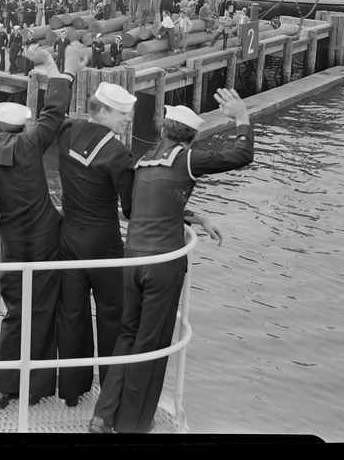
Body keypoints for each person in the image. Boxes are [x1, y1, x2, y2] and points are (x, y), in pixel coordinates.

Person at [90, 90, 252, 434]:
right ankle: (132, 425)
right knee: (151, 343)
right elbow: (242, 154)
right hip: (162, 265)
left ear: (164, 130)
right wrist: (241, 118)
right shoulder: (187, 159)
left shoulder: (144, 159)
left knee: (127, 335)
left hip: (131, 259)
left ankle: (102, 415)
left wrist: (193, 216)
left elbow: (143, 206)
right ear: (190, 137)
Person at [0, 42, 90, 410]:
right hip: (46, 238)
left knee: (15, 313)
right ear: (24, 124)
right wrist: (60, 69)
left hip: (13, 242)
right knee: (44, 310)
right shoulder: (32, 143)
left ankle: (3, 388)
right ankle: (35, 388)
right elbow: (54, 111)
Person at [55, 82, 137, 407]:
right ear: (102, 112)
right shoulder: (119, 154)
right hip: (104, 246)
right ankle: (111, 393)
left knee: (73, 315)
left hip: (69, 240)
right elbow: (131, 210)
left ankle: (73, 390)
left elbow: (52, 116)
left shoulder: (68, 131)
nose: (128, 119)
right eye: (122, 113)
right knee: (112, 316)